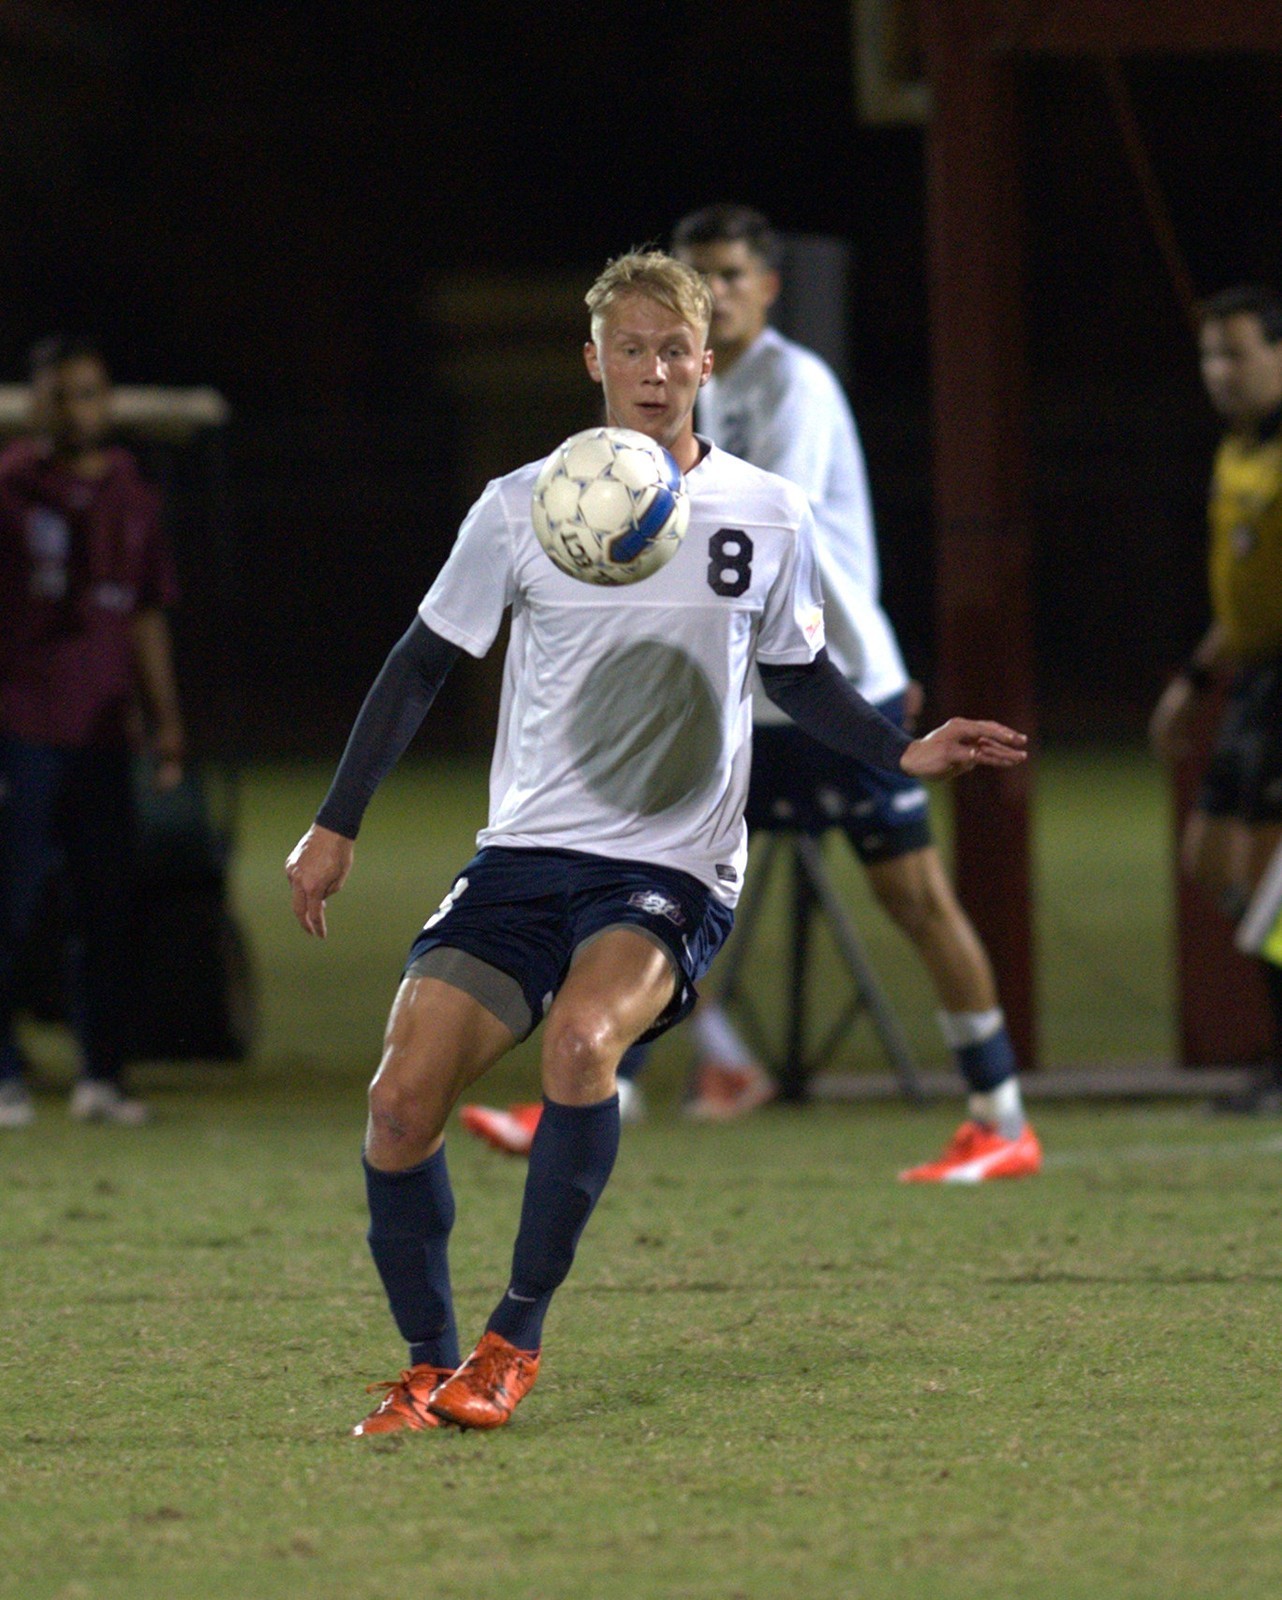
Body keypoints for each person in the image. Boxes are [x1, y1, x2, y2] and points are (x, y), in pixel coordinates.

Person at [284, 250, 1027, 1435]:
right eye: (628, 348)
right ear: (592, 361)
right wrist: (336, 821)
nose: (652, 369)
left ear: (707, 361)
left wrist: (899, 749)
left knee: (581, 1043)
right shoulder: (520, 504)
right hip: (523, 856)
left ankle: (511, 1341)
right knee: (396, 1106)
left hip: (667, 867)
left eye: (673, 348)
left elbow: (799, 674)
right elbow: (422, 660)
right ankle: (431, 1368)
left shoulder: (763, 512)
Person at [464, 205, 1042, 1185]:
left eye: (731, 274)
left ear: (766, 288)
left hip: (834, 681)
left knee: (913, 896)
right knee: (654, 884)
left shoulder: (793, 385)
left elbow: (761, 517)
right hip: (738, 697)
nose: (716, 291)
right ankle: (602, 1083)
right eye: (699, 274)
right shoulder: (682, 392)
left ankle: (998, 1113)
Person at [0, 336, 185, 1128]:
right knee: (9, 903)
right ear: (35, 403)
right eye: (60, 394)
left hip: (105, 732)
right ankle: (4, 1073)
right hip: (20, 726)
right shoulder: (8, 488)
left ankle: (101, 1076)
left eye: (88, 393)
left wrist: (167, 722)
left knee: (107, 907)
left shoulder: (131, 497)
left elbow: (145, 617)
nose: (76, 408)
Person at [1149, 283, 1282, 1114]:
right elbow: (1244, 599)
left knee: (1265, 877)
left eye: (1237, 352)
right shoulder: (1237, 452)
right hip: (1254, 677)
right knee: (1212, 860)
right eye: (1210, 354)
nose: (1220, 371)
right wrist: (1193, 683)